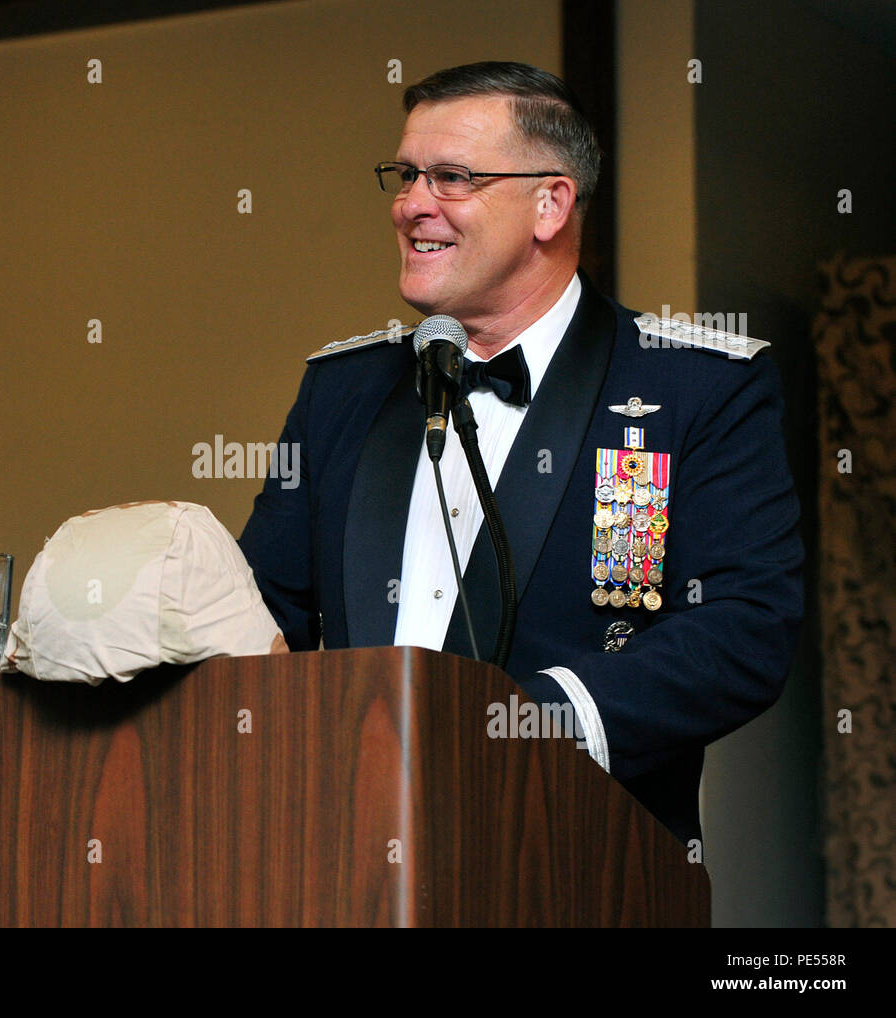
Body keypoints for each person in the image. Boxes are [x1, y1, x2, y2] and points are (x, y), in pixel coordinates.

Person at [237, 61, 803, 847]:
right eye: (405, 175)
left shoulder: (694, 386)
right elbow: (263, 616)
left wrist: (519, 729)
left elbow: (742, 630)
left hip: (579, 857)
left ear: (550, 204)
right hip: (347, 856)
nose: (411, 204)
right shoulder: (341, 389)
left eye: (452, 178)